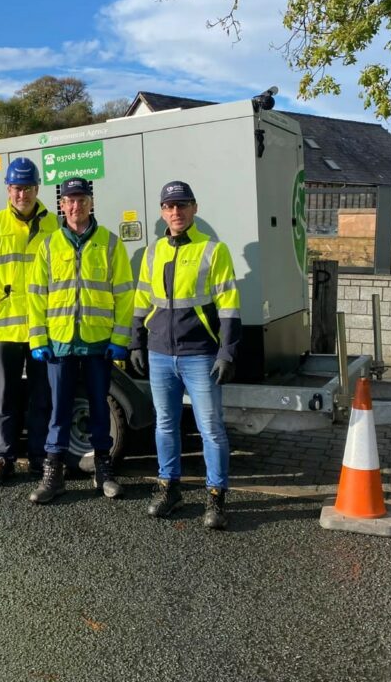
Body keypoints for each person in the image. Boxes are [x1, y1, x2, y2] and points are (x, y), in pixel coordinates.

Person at [129, 180, 241, 530]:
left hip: (200, 354)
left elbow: (229, 305)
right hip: (160, 351)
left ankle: (216, 497)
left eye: (182, 205)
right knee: (165, 424)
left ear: (194, 208)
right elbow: (141, 299)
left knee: (210, 428)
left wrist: (227, 351)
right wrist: (135, 342)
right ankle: (169, 488)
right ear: (162, 211)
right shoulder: (152, 252)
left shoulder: (213, 251)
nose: (175, 212)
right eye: (169, 206)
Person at [26, 177, 134, 504]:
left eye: (81, 199)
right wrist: (38, 339)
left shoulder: (110, 243)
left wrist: (120, 339)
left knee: (100, 407)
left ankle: (104, 472)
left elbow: (125, 294)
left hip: (99, 343)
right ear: (62, 205)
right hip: (58, 344)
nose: (75, 206)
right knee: (58, 410)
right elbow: (36, 296)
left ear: (91, 203)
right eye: (70, 200)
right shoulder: (48, 245)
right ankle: (54, 475)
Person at [0, 157, 59, 486]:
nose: (23, 194)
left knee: (41, 397)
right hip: (5, 327)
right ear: (8, 189)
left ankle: (37, 458)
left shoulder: (53, 226)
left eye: (29, 188)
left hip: (41, 330)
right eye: (17, 188)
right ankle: (3, 460)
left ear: (37, 188)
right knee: (4, 398)